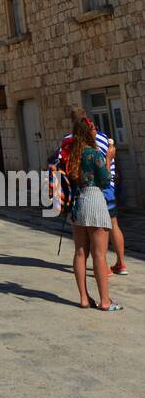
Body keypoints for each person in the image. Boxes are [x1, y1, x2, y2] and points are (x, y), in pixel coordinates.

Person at [53, 107, 126, 276]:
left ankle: (103, 267)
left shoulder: (69, 141)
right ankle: (121, 264)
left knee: (90, 236)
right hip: (108, 188)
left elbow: (62, 165)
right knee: (113, 224)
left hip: (87, 191)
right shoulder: (103, 137)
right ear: (87, 120)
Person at [67, 117, 121, 312]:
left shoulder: (73, 154)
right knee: (99, 254)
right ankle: (105, 301)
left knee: (80, 253)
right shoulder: (93, 153)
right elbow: (106, 181)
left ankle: (83, 298)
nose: (95, 131)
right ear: (88, 132)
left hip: (78, 203)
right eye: (93, 128)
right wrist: (109, 158)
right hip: (95, 200)